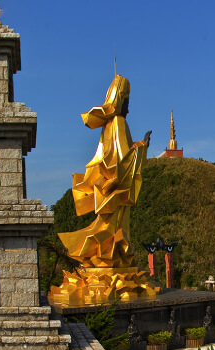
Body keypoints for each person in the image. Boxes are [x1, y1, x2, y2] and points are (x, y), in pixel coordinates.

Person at [58, 75, 152, 269]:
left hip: (110, 183)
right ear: (122, 99)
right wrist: (142, 147)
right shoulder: (118, 121)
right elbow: (122, 157)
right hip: (116, 185)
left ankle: (103, 257)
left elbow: (112, 153)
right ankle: (108, 258)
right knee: (112, 227)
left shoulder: (110, 122)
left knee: (107, 225)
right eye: (127, 101)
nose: (128, 107)